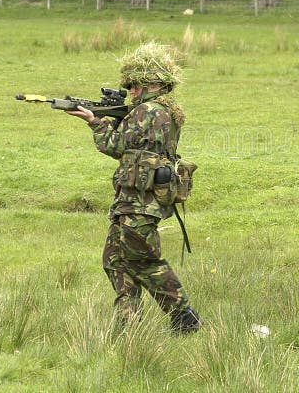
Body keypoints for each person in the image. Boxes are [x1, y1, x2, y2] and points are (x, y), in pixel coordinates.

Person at [66, 42, 202, 335]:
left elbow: (114, 146)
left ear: (152, 82)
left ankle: (184, 315)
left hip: (140, 200)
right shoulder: (164, 110)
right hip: (133, 199)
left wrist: (96, 123)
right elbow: (132, 149)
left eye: (135, 86)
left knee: (143, 260)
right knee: (115, 260)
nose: (131, 92)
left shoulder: (148, 111)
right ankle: (128, 325)